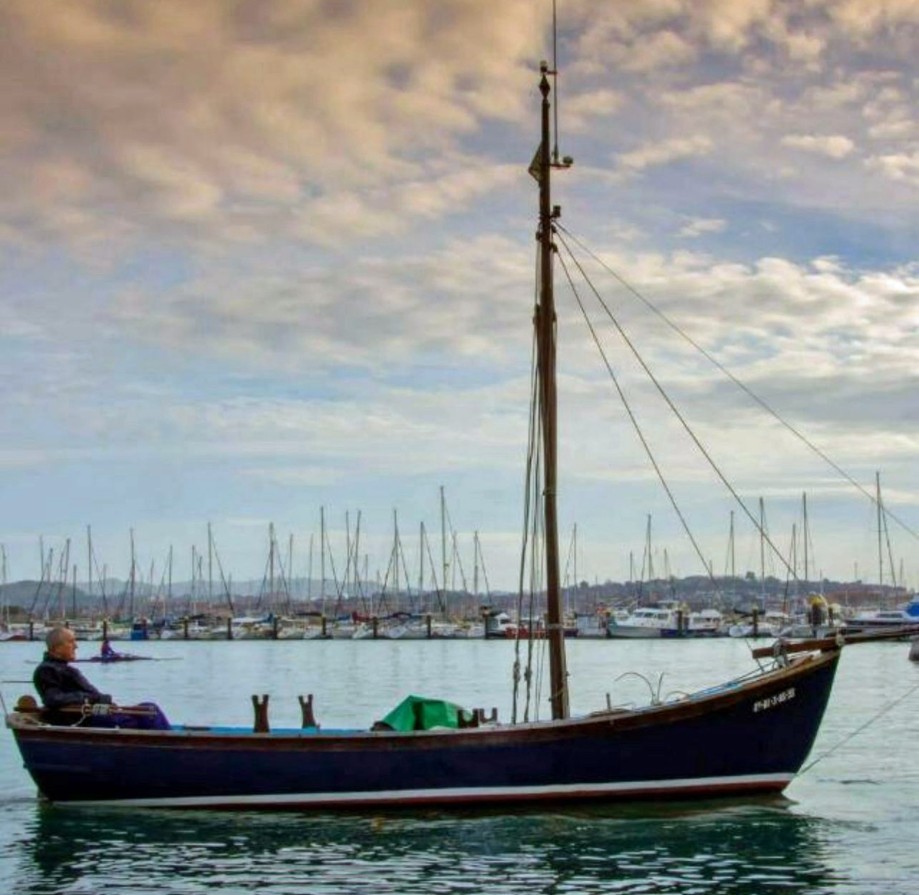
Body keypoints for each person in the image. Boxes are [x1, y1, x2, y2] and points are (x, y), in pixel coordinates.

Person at [33, 626, 170, 730]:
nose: (76, 646)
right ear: (56, 648)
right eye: (71, 642)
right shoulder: (47, 670)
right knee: (149, 715)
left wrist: (101, 700)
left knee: (150, 708)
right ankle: (170, 747)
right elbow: (53, 699)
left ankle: (167, 741)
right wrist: (91, 699)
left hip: (97, 713)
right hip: (85, 720)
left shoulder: (64, 668)